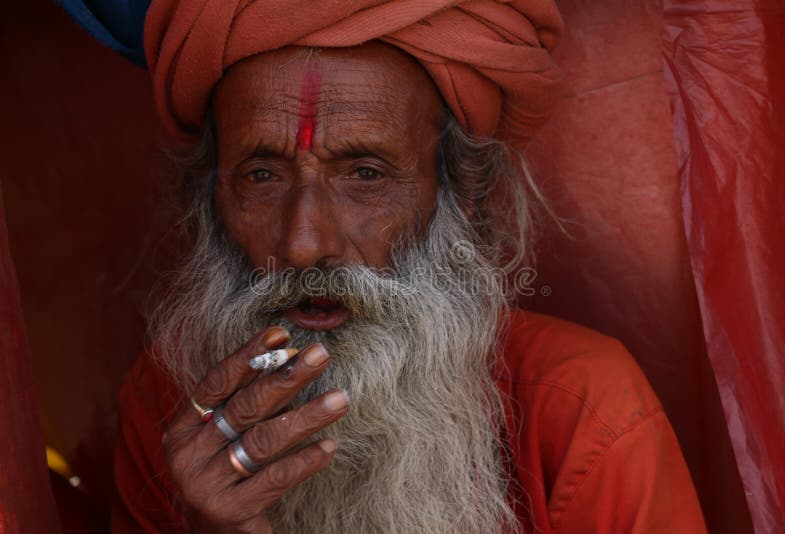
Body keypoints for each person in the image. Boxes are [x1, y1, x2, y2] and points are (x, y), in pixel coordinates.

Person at [113, 1, 708, 532]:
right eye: (262, 175)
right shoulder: (175, 406)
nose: (301, 245)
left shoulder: (580, 407)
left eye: (365, 175)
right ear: (213, 199)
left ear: (463, 193)